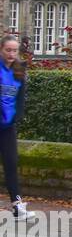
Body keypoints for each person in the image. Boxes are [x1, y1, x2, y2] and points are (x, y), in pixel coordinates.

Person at [1, 33, 34, 222]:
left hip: (7, 126)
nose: (12, 54)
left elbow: (20, 96)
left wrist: (16, 117)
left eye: (15, 50)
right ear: (1, 50)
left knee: (11, 163)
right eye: (8, 50)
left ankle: (17, 206)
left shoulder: (19, 69)